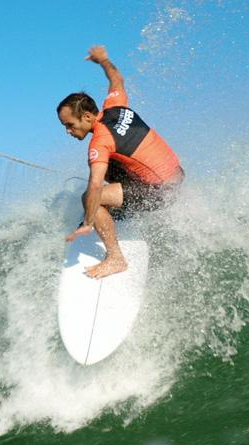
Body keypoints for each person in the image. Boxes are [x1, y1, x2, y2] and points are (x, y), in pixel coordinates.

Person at [59, 45, 185, 279]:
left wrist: (87, 220)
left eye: (70, 125)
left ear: (87, 117)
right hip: (177, 176)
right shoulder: (116, 106)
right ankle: (114, 216)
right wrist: (103, 60)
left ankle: (115, 258)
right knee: (115, 167)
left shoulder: (99, 143)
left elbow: (95, 186)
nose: (68, 131)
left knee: (89, 198)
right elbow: (116, 79)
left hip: (160, 191)